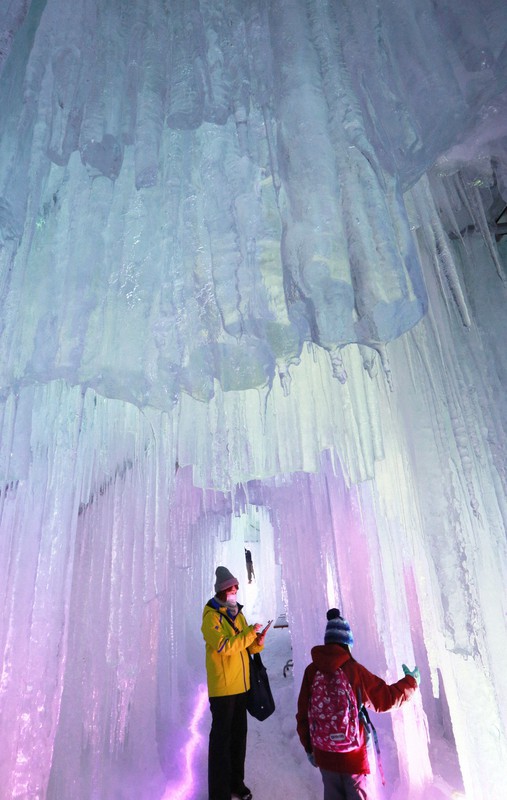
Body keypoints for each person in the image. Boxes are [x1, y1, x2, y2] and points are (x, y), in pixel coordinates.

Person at [296, 608, 420, 800]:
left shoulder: (311, 671)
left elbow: (302, 714)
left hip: (323, 752)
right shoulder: (354, 670)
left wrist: (309, 748)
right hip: (353, 755)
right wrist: (411, 682)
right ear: (347, 643)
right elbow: (385, 699)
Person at [201, 566, 267, 800]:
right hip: (223, 690)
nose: (236, 590)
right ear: (222, 590)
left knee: (239, 739)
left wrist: (257, 641)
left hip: (241, 686)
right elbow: (224, 646)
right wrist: (248, 635)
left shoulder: (237, 614)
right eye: (232, 587)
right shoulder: (211, 617)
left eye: (237, 587)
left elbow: (247, 647)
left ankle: (236, 783)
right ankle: (218, 793)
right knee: (221, 743)